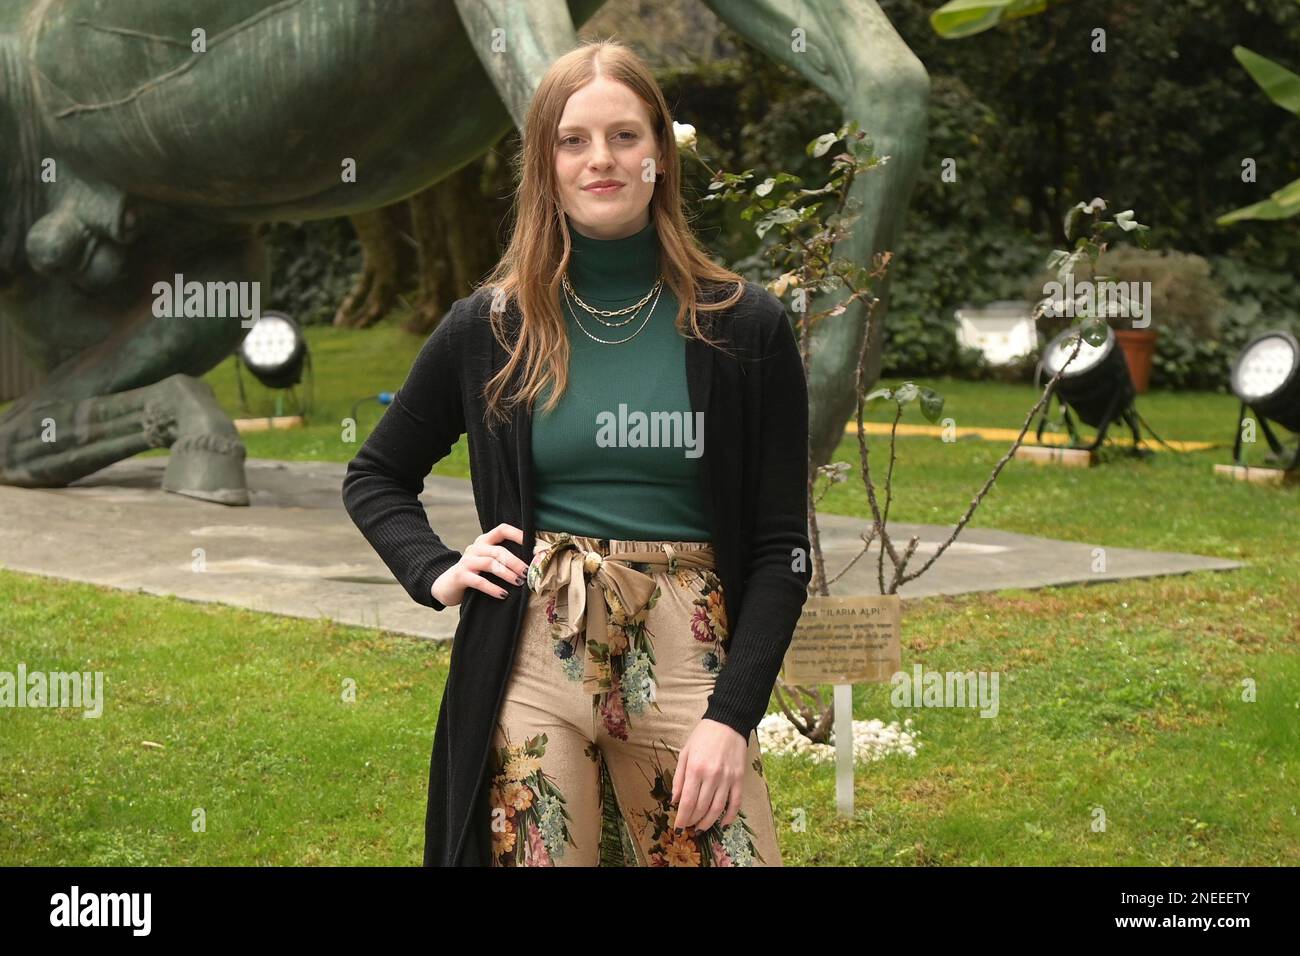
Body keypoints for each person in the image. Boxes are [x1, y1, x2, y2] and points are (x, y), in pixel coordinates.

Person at [342, 37, 811, 867]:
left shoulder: (746, 327)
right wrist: (435, 569)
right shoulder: (489, 329)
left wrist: (732, 714)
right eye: (574, 139)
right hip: (532, 649)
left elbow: (782, 548)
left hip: (687, 652)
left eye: (626, 136)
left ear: (660, 155)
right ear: (545, 164)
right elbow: (376, 474)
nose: (602, 159)